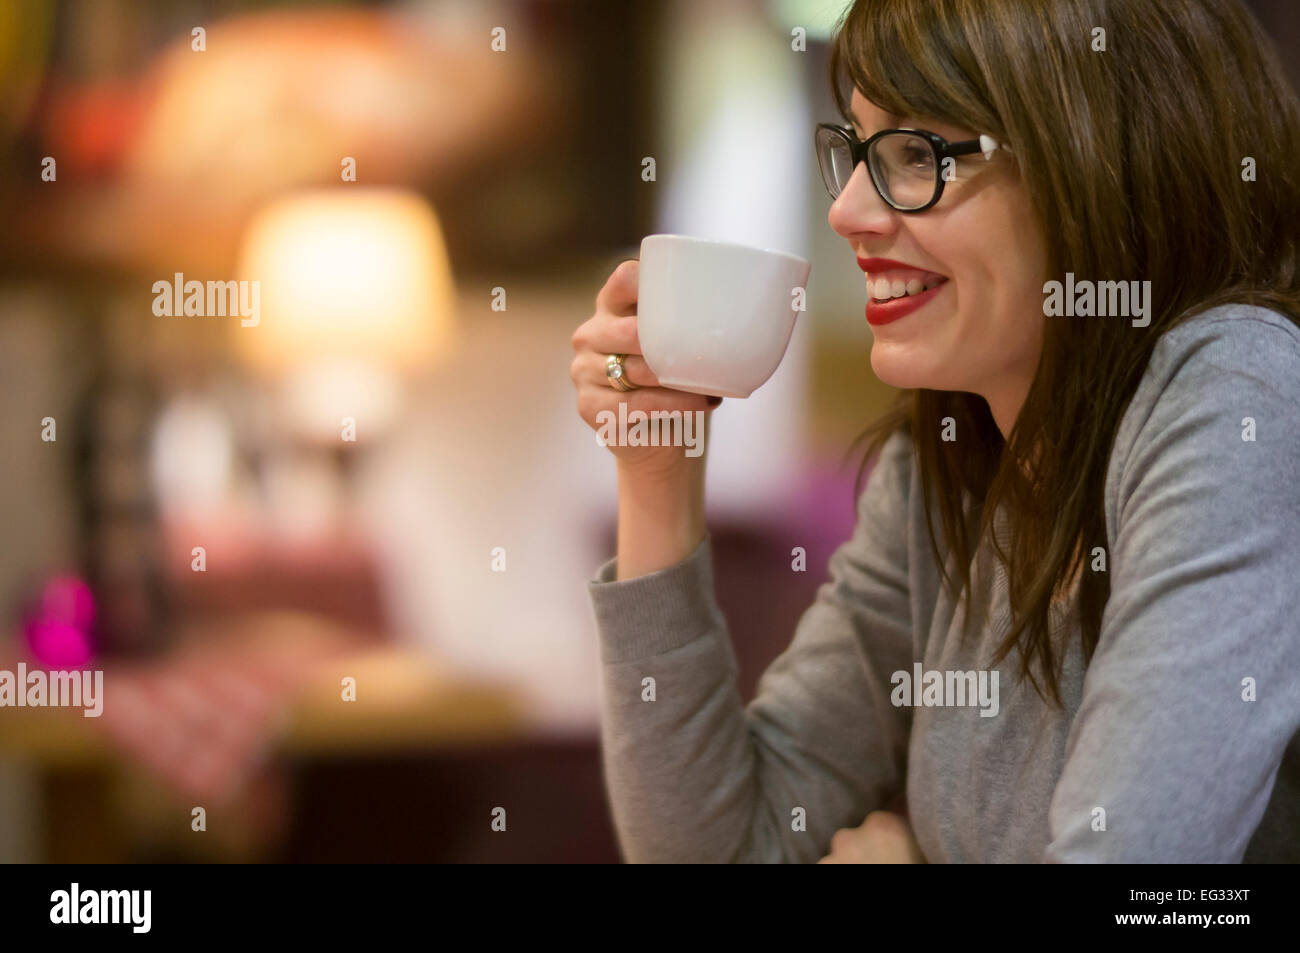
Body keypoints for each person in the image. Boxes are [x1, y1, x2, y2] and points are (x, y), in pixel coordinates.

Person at [568, 0, 1300, 862]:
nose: (846, 212)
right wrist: (658, 468)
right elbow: (724, 846)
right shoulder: (945, 456)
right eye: (857, 150)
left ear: (1106, 162)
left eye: (918, 155)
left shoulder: (1241, 388)